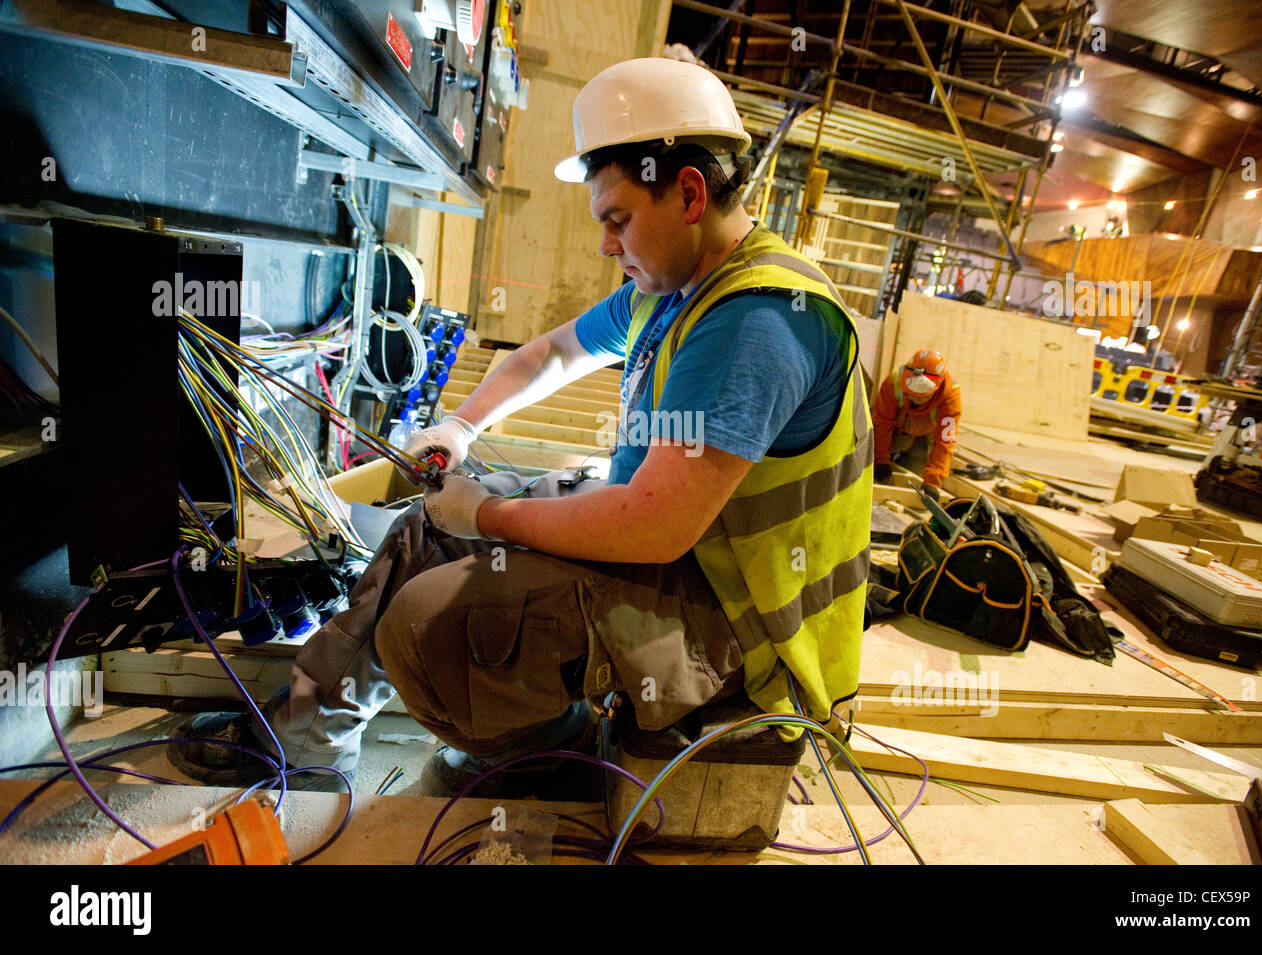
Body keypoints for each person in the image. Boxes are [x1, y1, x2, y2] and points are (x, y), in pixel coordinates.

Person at [169, 57, 873, 798]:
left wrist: (490, 513)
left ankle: (554, 756)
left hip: (744, 643)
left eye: (618, 220)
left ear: (690, 193)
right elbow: (555, 353)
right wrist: (462, 427)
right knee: (424, 533)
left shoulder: (755, 319)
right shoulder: (675, 287)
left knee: (429, 626)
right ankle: (308, 742)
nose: (607, 245)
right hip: (685, 567)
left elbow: (654, 526)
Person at [872, 348, 961, 499]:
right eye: (911, 393)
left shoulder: (951, 397)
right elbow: (881, 423)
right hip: (896, 429)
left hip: (924, 437)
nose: (915, 398)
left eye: (922, 396)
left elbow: (945, 441)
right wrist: (880, 461)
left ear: (937, 387)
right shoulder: (894, 382)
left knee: (914, 469)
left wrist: (933, 481)